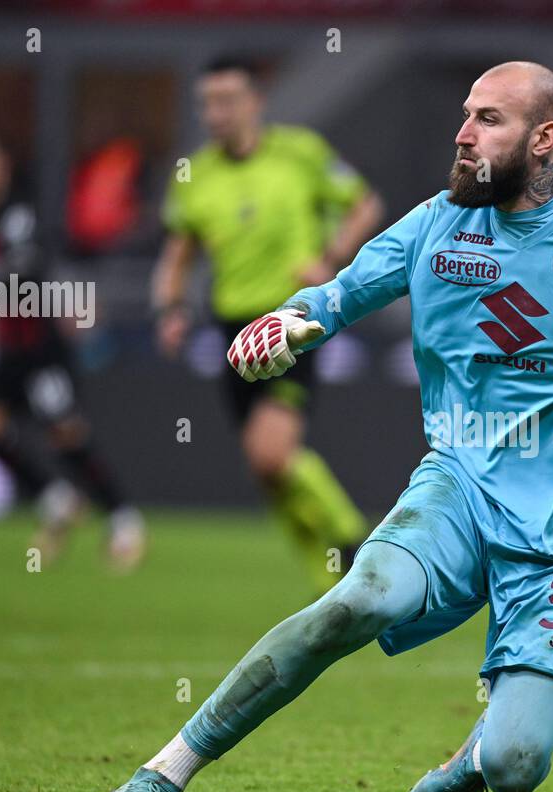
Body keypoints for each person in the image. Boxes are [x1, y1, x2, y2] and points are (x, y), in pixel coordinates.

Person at [97, 61, 553, 792]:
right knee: (355, 602)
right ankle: (166, 770)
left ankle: (475, 757)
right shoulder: (436, 224)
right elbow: (337, 294)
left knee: (518, 768)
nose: (463, 133)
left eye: (489, 119)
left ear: (546, 137)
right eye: (466, 114)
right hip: (458, 490)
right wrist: (290, 321)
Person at [153, 56, 383, 592]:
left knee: (271, 452)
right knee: (266, 469)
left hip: (290, 321)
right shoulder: (196, 175)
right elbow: (178, 256)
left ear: (255, 102)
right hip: (231, 329)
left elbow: (365, 204)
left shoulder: (300, 153)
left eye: (228, 100)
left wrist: (331, 259)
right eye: (207, 103)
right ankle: (325, 575)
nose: (216, 114)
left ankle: (356, 544)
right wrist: (169, 310)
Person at [0, 132, 145, 569]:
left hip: (39, 347)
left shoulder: (17, 214)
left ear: (0, 165)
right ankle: (57, 499)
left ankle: (123, 519)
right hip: (7, 349)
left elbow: (23, 269)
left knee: (66, 433)